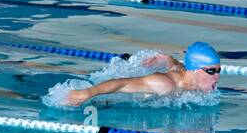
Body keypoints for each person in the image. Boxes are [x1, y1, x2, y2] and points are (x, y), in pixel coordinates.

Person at [62, 42, 222, 106]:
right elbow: (121, 83)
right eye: (211, 71)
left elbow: (178, 66)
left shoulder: (187, 75)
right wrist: (89, 92)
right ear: (194, 69)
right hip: (111, 102)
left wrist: (168, 59)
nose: (217, 76)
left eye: (218, 70)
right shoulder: (165, 84)